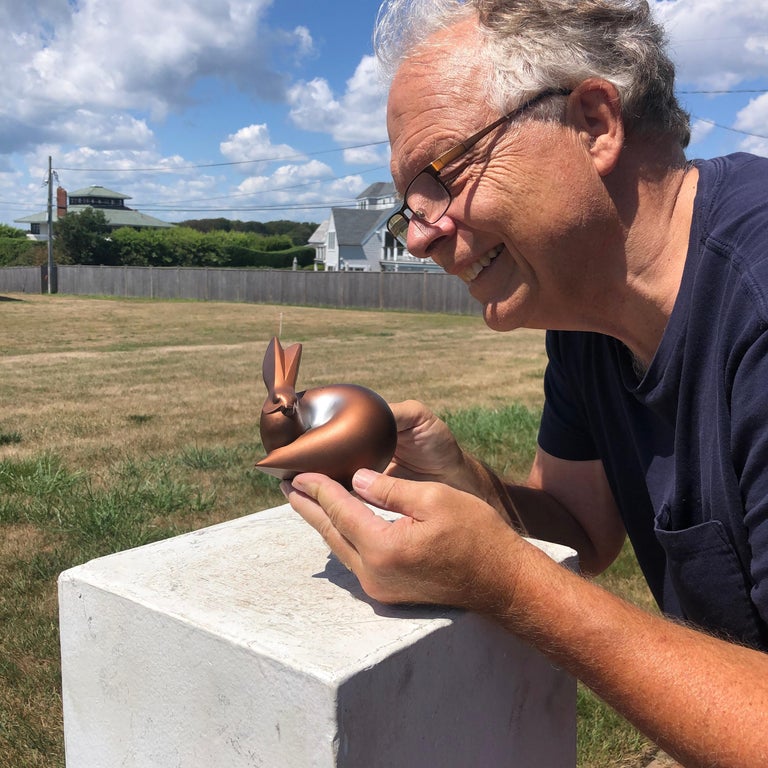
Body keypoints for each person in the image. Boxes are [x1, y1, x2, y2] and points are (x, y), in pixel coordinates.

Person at [282, 1, 768, 765]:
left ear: (594, 123)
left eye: (441, 174)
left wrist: (509, 586)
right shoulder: (587, 318)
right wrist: (466, 483)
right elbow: (581, 528)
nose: (419, 236)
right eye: (409, 204)